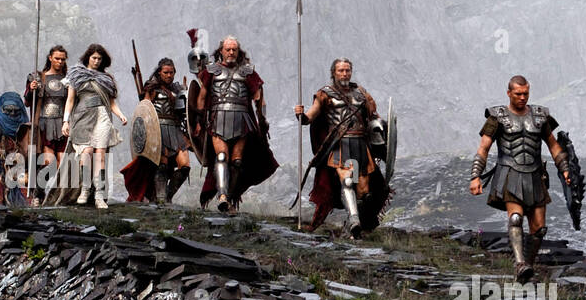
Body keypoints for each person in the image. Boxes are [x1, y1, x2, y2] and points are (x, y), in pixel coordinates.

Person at [469, 75, 570, 281]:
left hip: (535, 175)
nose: (523, 97)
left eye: (526, 93)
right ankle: (519, 264)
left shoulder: (540, 116)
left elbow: (553, 145)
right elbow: (483, 148)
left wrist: (565, 168)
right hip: (510, 172)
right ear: (509, 93)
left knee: (539, 229)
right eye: (518, 94)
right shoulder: (496, 117)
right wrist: (475, 176)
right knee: (515, 219)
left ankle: (528, 267)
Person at [295, 58, 390, 237]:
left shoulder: (361, 93)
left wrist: (379, 132)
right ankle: (354, 220)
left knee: (363, 191)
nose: (345, 74)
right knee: (347, 181)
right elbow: (310, 117)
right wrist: (302, 116)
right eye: (341, 71)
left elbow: (373, 116)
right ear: (334, 73)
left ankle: (351, 227)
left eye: (347, 70)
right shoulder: (325, 93)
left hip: (360, 146)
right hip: (340, 145)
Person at [194, 35, 276, 213]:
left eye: (234, 49)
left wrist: (262, 120)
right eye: (228, 49)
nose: (231, 52)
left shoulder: (248, 72)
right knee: (222, 157)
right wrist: (200, 121)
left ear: (238, 52)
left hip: (242, 120)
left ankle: (228, 199)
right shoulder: (211, 71)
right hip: (218, 118)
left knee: (237, 162)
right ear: (221, 51)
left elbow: (259, 98)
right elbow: (201, 98)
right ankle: (222, 195)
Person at [62, 43, 127, 209]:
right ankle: (85, 188)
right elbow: (70, 100)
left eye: (100, 58)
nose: (97, 61)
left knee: (100, 155)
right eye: (94, 58)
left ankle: (99, 195)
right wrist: (65, 120)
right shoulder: (76, 74)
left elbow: (111, 102)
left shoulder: (106, 79)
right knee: (86, 152)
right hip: (82, 117)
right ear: (88, 57)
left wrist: (120, 115)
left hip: (102, 117)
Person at [123, 58, 191, 204]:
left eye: (171, 72)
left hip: (175, 129)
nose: (169, 75)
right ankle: (160, 199)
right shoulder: (152, 88)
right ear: (159, 72)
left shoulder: (177, 90)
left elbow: (184, 112)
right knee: (162, 165)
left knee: (185, 166)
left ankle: (167, 195)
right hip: (157, 129)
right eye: (166, 72)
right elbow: (144, 110)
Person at [23, 44, 69, 204]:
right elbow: (28, 102)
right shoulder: (39, 77)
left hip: (63, 125)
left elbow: (73, 102)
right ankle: (38, 194)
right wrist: (32, 89)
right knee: (49, 163)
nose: (60, 61)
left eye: (63, 59)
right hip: (44, 124)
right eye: (57, 58)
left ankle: (54, 198)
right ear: (50, 58)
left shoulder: (68, 79)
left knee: (62, 165)